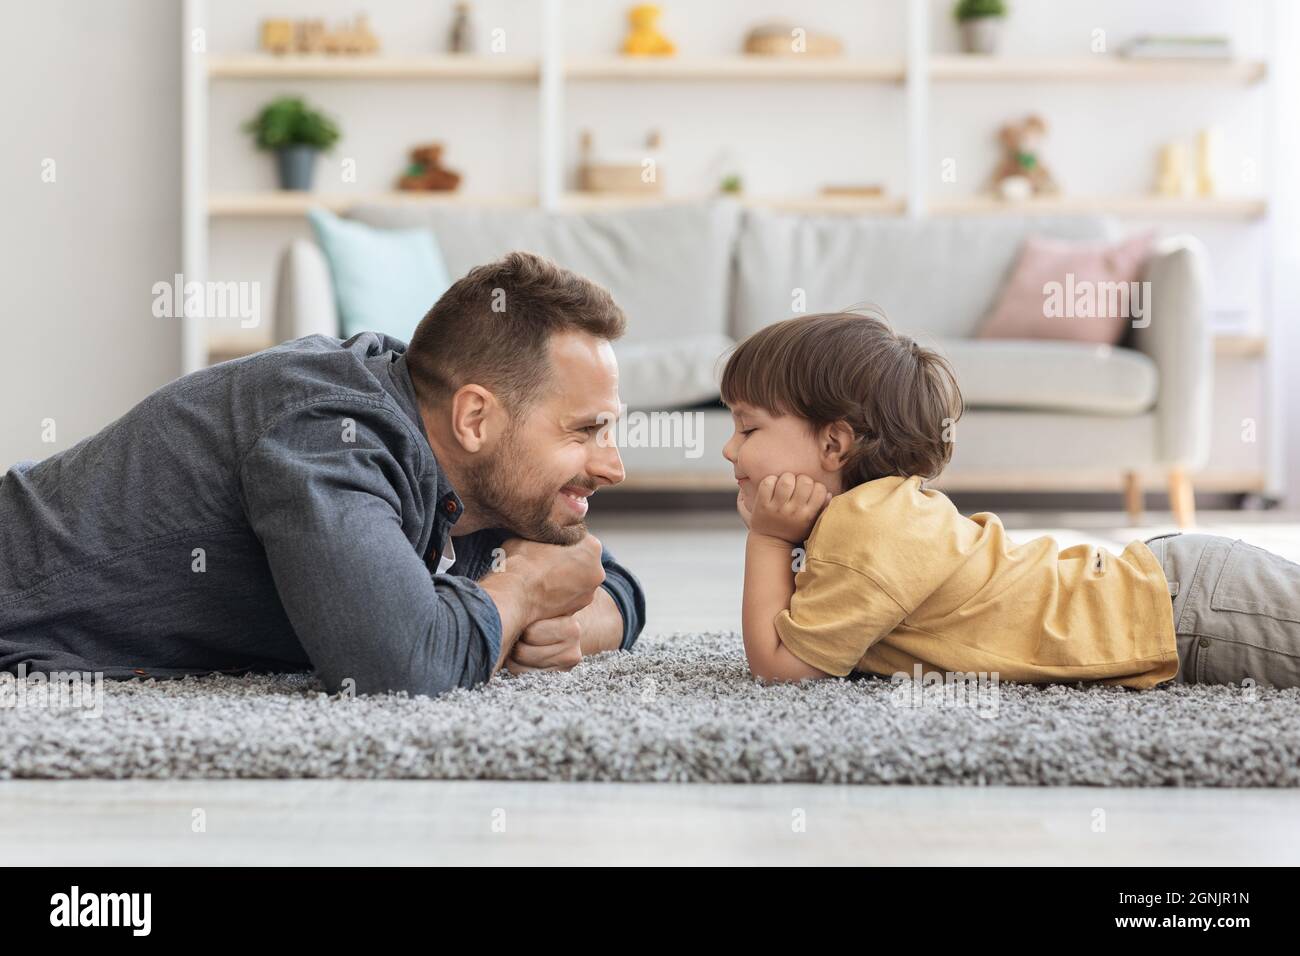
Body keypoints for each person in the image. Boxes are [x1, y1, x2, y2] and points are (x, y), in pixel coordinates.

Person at [0, 251, 645, 696]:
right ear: (475, 417)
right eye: (585, 431)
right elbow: (397, 667)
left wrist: (570, 626)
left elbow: (610, 582)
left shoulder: (469, 458)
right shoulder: (330, 432)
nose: (612, 466)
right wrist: (524, 591)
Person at [722, 308, 1300, 690]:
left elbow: (781, 670)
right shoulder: (875, 516)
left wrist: (768, 537)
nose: (729, 450)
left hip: (1187, 613)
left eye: (748, 430)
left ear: (833, 443)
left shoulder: (866, 532)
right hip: (1177, 591)